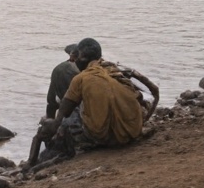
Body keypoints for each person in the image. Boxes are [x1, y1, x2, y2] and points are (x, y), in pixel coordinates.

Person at [23, 38, 160, 171]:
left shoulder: (80, 78)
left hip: (104, 139)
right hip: (131, 133)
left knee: (67, 119)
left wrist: (47, 128)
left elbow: (62, 114)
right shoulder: (115, 69)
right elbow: (153, 92)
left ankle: (32, 163)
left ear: (81, 58)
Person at [46, 42, 82, 120]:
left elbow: (51, 100)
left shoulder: (59, 68)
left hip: (63, 105)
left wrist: (50, 120)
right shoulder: (92, 71)